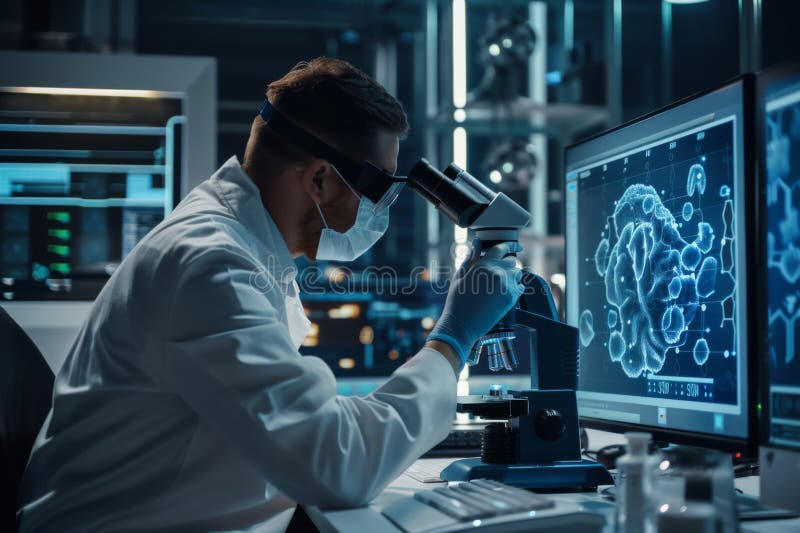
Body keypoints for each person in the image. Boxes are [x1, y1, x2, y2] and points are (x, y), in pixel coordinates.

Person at [17, 58, 523, 532]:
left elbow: (297, 421)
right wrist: (454, 338)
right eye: (378, 192)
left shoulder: (241, 245)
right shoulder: (211, 264)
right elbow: (335, 464)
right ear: (320, 180)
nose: (381, 211)